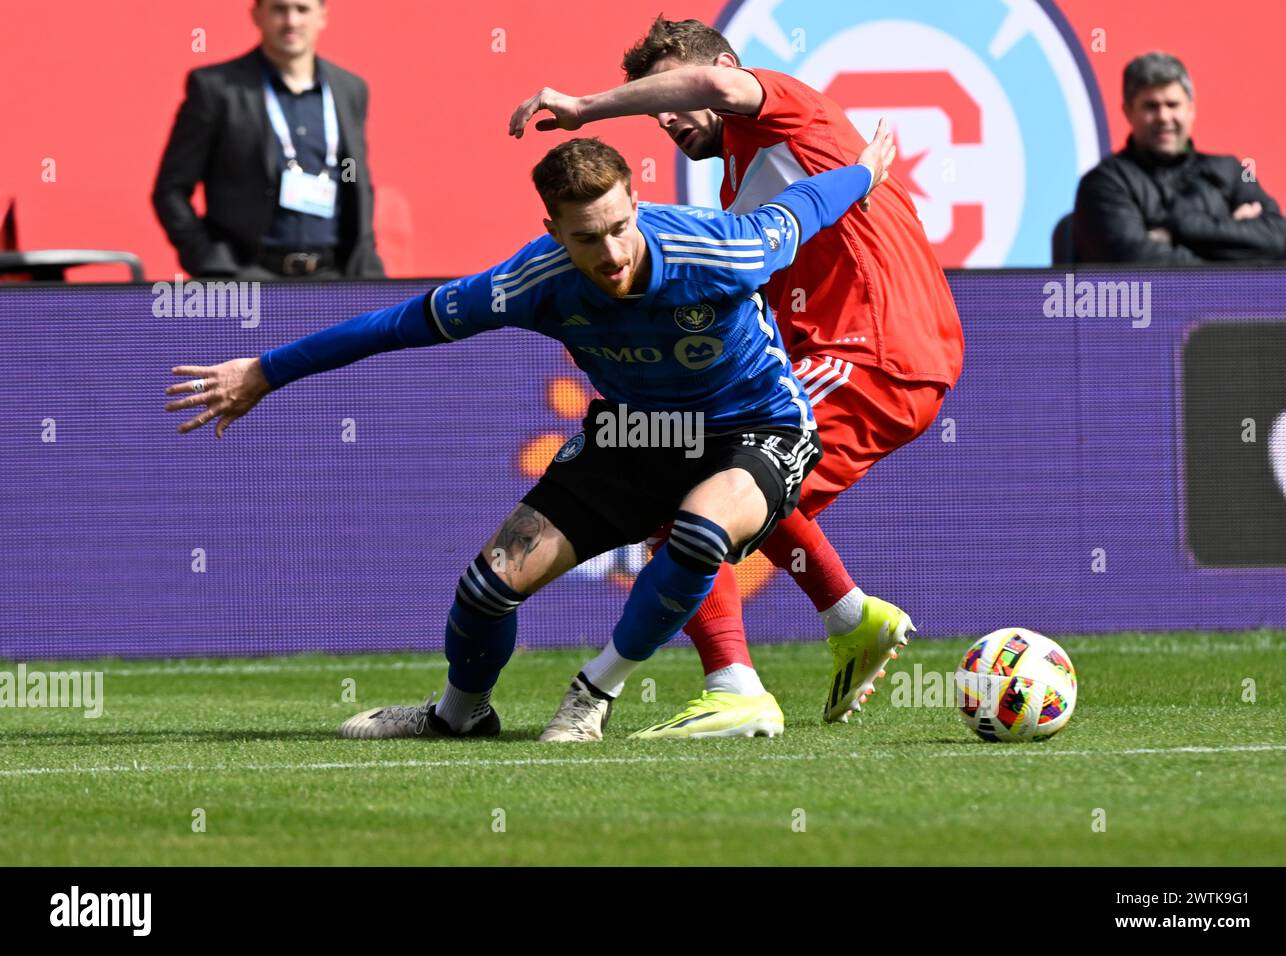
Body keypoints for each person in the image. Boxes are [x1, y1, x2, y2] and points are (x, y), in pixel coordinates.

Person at [163, 133, 895, 743]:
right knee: (486, 589)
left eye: (618, 227)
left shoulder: (722, 251)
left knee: (701, 534)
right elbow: (396, 325)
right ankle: (458, 716)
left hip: (756, 426)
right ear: (553, 234)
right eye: (586, 238)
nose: (610, 253)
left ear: (636, 205)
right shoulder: (532, 281)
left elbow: (801, 207)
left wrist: (866, 170)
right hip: (635, 434)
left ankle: (593, 694)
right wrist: (265, 370)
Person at [508, 16, 963, 736]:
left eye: (669, 93)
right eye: (653, 104)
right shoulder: (737, 194)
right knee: (715, 483)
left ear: (720, 67)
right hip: (849, 354)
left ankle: (733, 688)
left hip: (873, 350)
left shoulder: (789, 111)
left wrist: (584, 108)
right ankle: (851, 619)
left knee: (695, 494)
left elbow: (718, 86)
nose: (663, 115)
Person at [152, 0, 384, 279]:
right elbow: (171, 189)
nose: (291, 21)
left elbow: (352, 177)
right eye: (279, 9)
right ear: (256, 15)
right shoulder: (216, 89)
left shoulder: (349, 89)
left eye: (302, 9)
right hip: (249, 277)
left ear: (322, 16)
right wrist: (210, 260)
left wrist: (365, 264)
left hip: (333, 276)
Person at [1073, 52, 1286, 263]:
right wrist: (1229, 235)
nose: (1164, 117)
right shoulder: (1104, 183)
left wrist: (1176, 229)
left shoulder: (1233, 172)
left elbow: (1277, 238)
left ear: (1191, 109)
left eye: (1172, 105)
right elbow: (1136, 263)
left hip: (1239, 299)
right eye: (1151, 106)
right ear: (1128, 111)